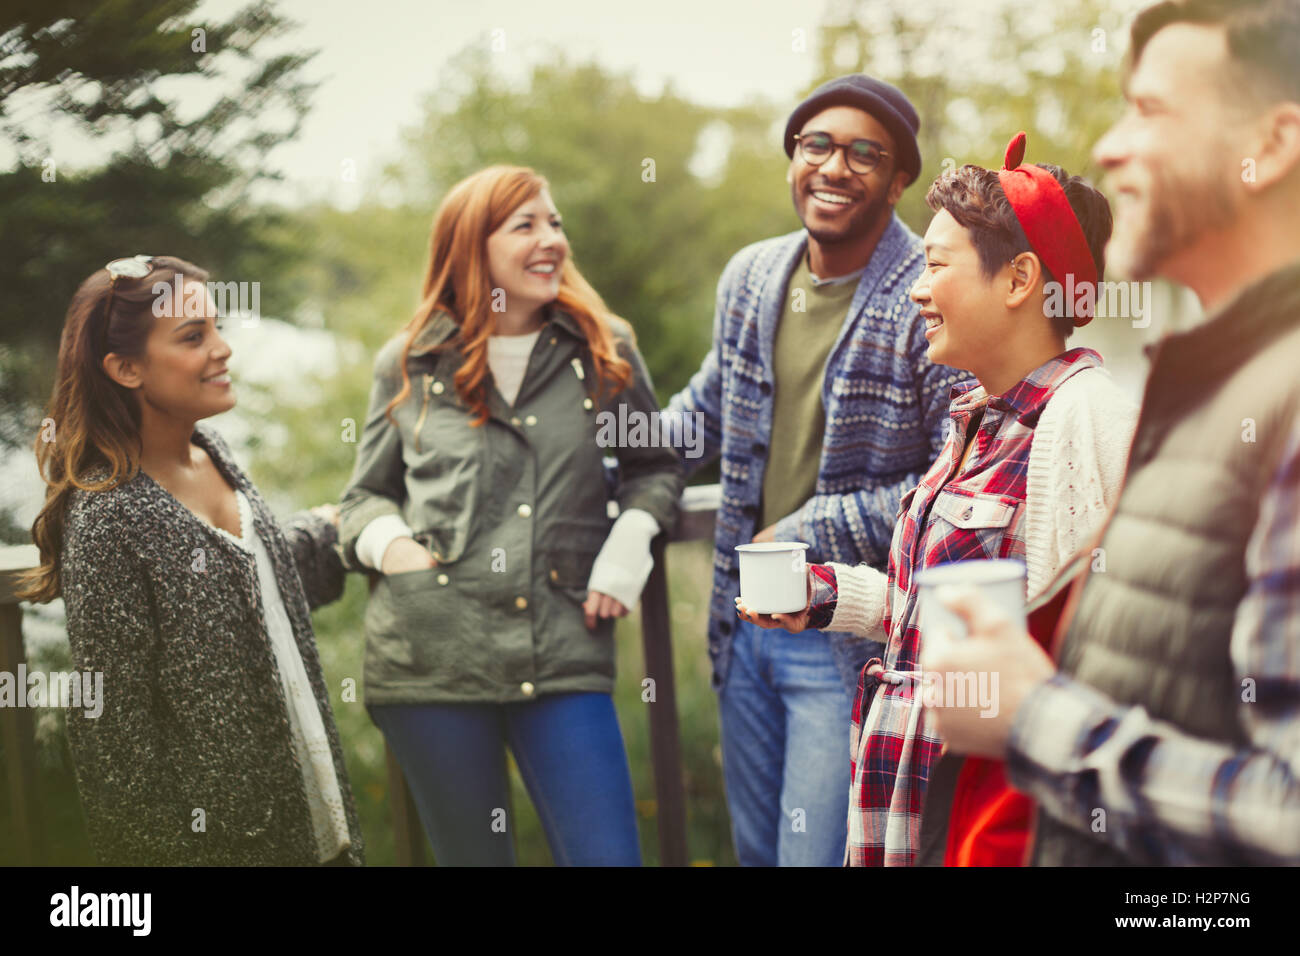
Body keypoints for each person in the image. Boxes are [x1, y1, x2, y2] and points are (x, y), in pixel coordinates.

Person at [924, 0, 1300, 866]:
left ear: (1271, 148)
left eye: (1152, 111)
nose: (1108, 147)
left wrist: (1035, 720)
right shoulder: (1200, 386)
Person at [737, 135, 1137, 866]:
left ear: (1018, 280)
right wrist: (827, 595)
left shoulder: (1087, 423)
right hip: (909, 806)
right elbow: (945, 620)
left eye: (935, 265)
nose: (917, 289)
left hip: (981, 816)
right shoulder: (975, 420)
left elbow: (1094, 664)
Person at [338, 165, 683, 866]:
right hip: (430, 660)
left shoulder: (603, 351)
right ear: (472, 247)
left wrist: (633, 535)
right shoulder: (407, 363)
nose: (550, 239)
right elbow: (363, 498)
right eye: (524, 225)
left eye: (553, 222)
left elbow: (658, 467)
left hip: (562, 652)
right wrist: (392, 546)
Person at [665, 73, 967, 866]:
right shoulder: (753, 276)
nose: (835, 167)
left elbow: (954, 473)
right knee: (758, 852)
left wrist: (812, 527)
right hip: (742, 628)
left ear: (899, 180)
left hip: (846, 638)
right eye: (817, 145)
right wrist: (595, 456)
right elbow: (703, 411)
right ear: (794, 159)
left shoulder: (926, 296)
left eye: (866, 153)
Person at [20, 255, 364, 866]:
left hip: (317, 821)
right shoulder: (110, 519)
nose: (222, 349)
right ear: (125, 367)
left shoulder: (212, 451)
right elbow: (113, 736)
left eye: (217, 326)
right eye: (193, 336)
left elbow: (251, 582)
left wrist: (334, 528)